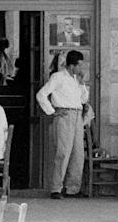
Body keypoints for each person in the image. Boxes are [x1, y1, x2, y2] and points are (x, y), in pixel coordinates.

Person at [35, 50, 87, 198]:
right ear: (72, 65)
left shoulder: (76, 79)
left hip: (77, 115)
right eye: (79, 65)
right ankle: (56, 188)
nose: (80, 69)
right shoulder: (57, 77)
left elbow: (83, 99)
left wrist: (82, 83)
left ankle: (72, 188)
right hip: (64, 115)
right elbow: (41, 95)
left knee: (78, 153)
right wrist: (52, 112)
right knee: (63, 153)